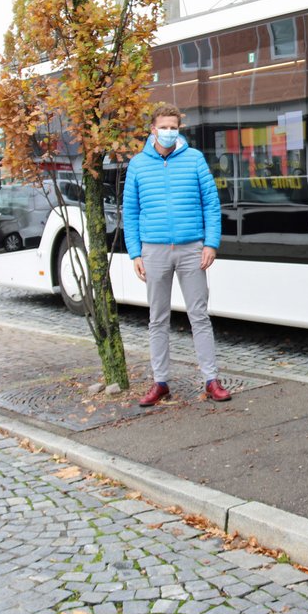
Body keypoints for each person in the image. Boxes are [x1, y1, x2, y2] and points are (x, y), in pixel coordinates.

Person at [124, 104, 231, 406]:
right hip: (154, 250)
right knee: (157, 318)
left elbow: (210, 203)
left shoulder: (195, 160)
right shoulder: (138, 165)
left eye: (175, 127)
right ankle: (160, 383)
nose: (170, 132)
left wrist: (210, 244)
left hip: (190, 249)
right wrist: (135, 253)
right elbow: (130, 212)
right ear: (153, 129)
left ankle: (211, 379)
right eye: (164, 127)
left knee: (199, 315)